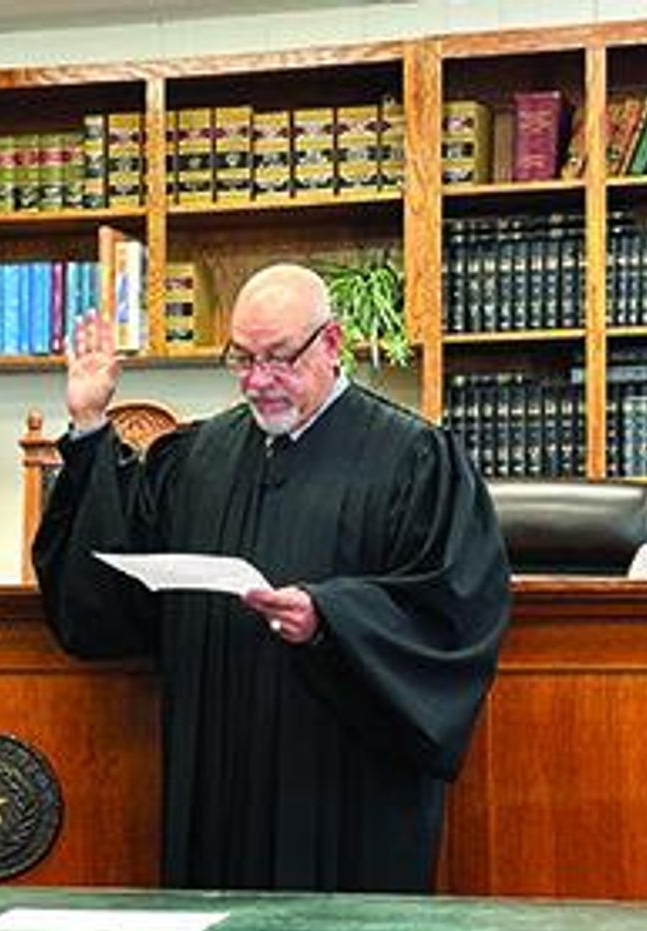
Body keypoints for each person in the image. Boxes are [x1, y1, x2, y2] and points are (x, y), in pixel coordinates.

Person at [33, 262, 511, 893]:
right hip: (216, 769)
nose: (259, 381)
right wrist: (92, 427)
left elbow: (454, 612)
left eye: (280, 359)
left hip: (341, 786)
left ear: (332, 343)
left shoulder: (414, 458)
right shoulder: (199, 456)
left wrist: (330, 618)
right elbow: (108, 583)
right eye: (243, 359)